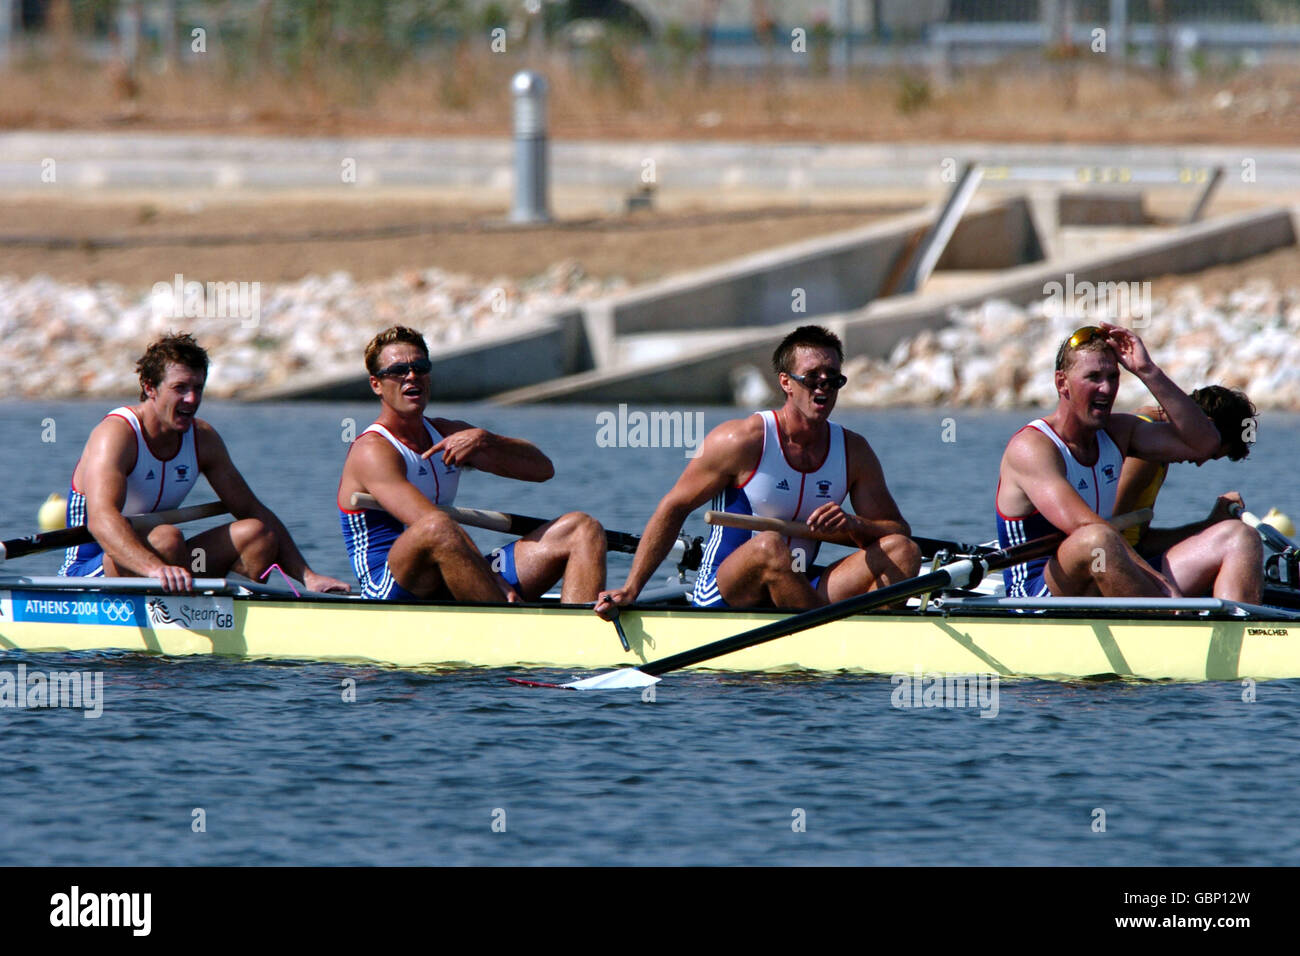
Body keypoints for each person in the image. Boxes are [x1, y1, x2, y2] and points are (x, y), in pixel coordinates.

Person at [595, 324, 920, 619]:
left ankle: (863, 634)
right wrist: (632, 589)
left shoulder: (854, 451)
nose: (824, 386)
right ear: (786, 383)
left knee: (902, 552)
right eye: (812, 377)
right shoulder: (741, 440)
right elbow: (674, 508)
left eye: (833, 378)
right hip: (725, 592)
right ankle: (829, 630)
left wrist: (854, 524)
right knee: (769, 546)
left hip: (799, 584)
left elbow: (896, 530)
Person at [59, 332, 350, 594]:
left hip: (167, 565)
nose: (192, 399)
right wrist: (155, 569)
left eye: (198, 387)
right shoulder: (116, 434)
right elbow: (101, 520)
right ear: (150, 387)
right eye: (180, 388)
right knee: (167, 537)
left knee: (258, 534)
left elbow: (252, 509)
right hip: (92, 569)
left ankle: (226, 613)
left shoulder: (202, 438)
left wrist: (308, 576)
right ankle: (183, 606)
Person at [336, 326, 606, 602]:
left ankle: (583, 635)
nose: (412, 375)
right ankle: (504, 621)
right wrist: (493, 581)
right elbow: (429, 522)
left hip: (452, 562)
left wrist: (488, 440)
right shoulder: (372, 450)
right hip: (391, 585)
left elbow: (542, 470)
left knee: (582, 528)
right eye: (398, 370)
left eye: (420, 366)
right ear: (376, 384)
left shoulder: (448, 434)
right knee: (436, 527)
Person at [995, 323, 1261, 602]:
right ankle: (1169, 620)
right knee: (1097, 539)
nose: (1106, 388)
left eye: (1113, 376)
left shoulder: (1118, 432)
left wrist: (1147, 370)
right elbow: (1084, 528)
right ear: (1062, 383)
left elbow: (1205, 443)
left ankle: (1241, 635)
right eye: (1093, 377)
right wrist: (1154, 579)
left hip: (1106, 573)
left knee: (1240, 537)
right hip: (1038, 592)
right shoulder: (1032, 447)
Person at [1114, 384, 1259, 569]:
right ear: (1205, 426)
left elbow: (1142, 542)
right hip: (1107, 566)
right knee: (1237, 540)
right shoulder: (1145, 454)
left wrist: (1210, 524)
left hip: (1125, 558)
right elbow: (1107, 533)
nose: (1199, 463)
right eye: (1211, 452)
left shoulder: (1157, 446)